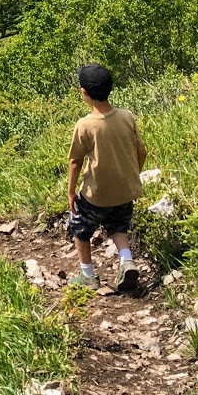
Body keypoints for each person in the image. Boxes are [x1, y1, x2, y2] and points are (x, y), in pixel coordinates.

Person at [66, 62, 146, 291]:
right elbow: (142, 151)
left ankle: (88, 275)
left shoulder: (85, 125)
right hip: (125, 189)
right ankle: (126, 259)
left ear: (84, 93)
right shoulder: (126, 116)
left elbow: (75, 161)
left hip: (96, 194)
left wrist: (71, 192)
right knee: (118, 226)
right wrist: (132, 175)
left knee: (79, 227)